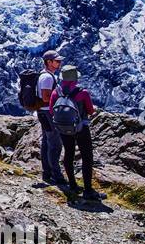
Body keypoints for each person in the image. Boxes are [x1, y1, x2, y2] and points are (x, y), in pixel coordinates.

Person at [49, 65, 103, 203]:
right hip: (81, 128)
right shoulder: (82, 93)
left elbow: (51, 110)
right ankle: (88, 190)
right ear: (75, 78)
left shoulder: (56, 92)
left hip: (63, 129)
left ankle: (72, 185)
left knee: (69, 153)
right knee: (87, 157)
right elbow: (90, 111)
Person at [35, 49, 64, 189]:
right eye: (57, 61)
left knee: (47, 142)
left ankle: (47, 173)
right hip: (48, 114)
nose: (59, 63)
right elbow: (46, 97)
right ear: (48, 62)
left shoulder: (46, 76)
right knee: (55, 144)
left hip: (43, 113)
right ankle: (56, 175)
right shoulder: (47, 78)